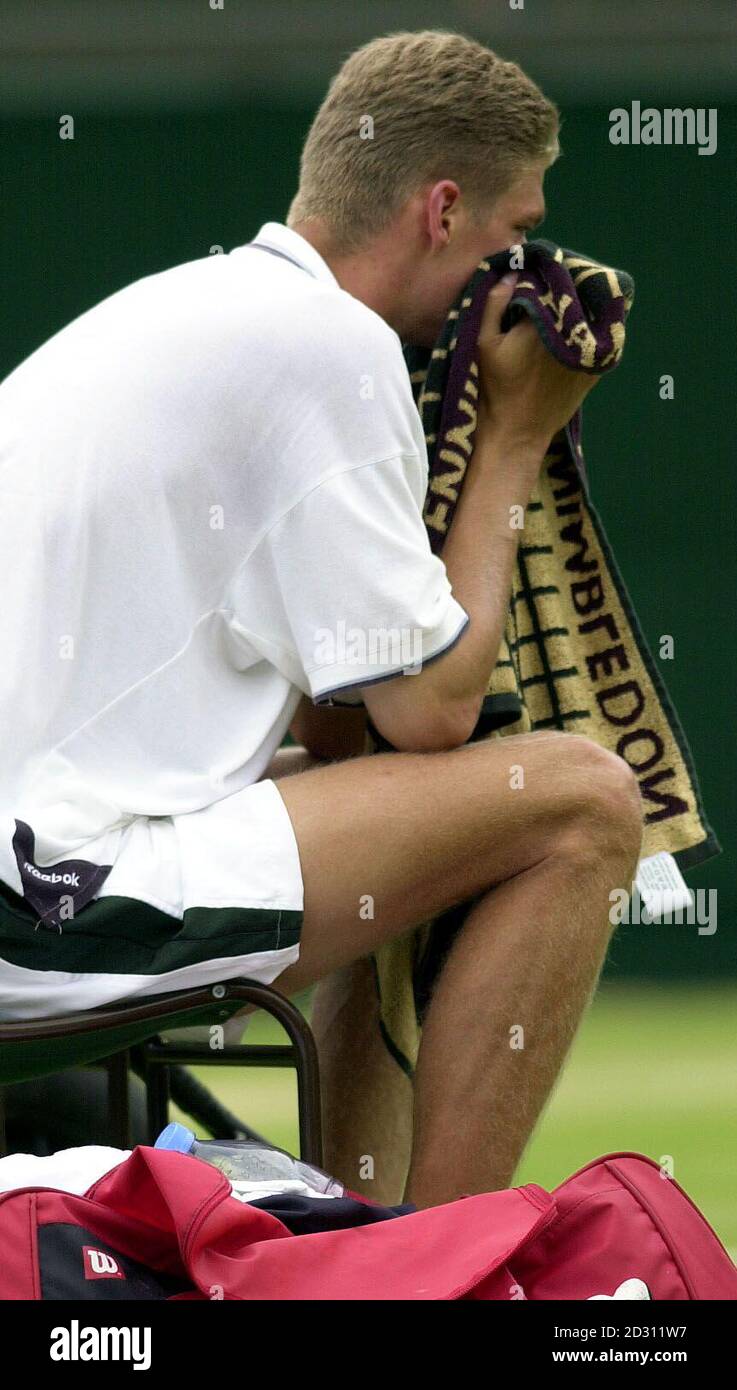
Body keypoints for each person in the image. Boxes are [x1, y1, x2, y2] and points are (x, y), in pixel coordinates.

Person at [0, 31, 642, 1209]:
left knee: (438, 823)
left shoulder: (192, 309)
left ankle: (369, 1253)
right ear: (441, 209)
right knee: (576, 800)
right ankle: (444, 1279)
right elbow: (434, 714)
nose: (515, 276)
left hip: (39, 864)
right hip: (41, 907)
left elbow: (360, 740)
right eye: (510, 238)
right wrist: (509, 440)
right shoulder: (329, 350)